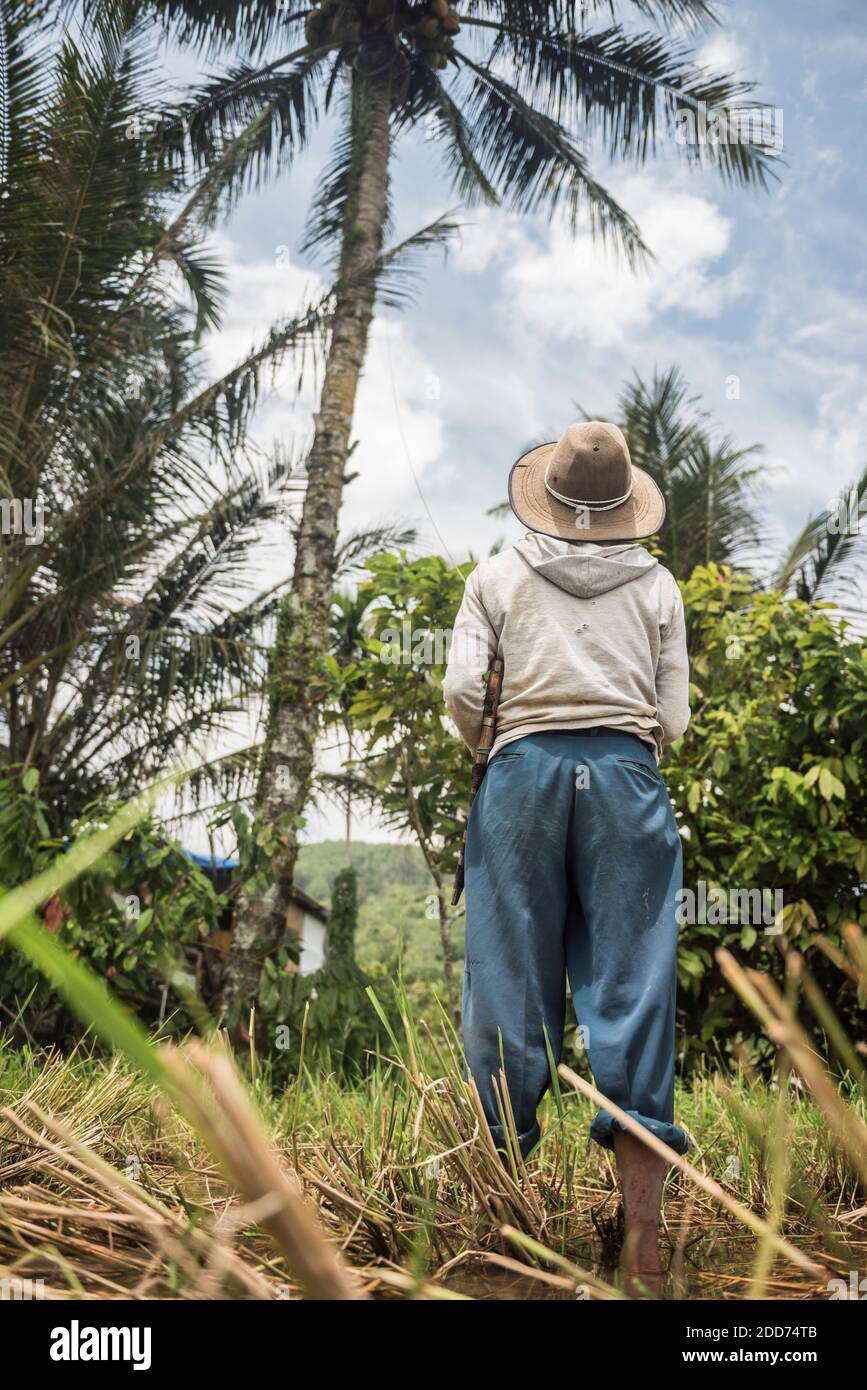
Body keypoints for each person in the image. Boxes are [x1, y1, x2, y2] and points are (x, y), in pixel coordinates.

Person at [443, 420, 690, 1290]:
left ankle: (504, 1232)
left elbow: (463, 692)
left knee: (508, 983)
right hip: (625, 778)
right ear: (625, 505)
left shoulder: (494, 577)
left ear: (545, 497)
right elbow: (673, 718)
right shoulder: (658, 587)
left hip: (521, 775)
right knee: (633, 984)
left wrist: (494, 745)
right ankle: (642, 1248)